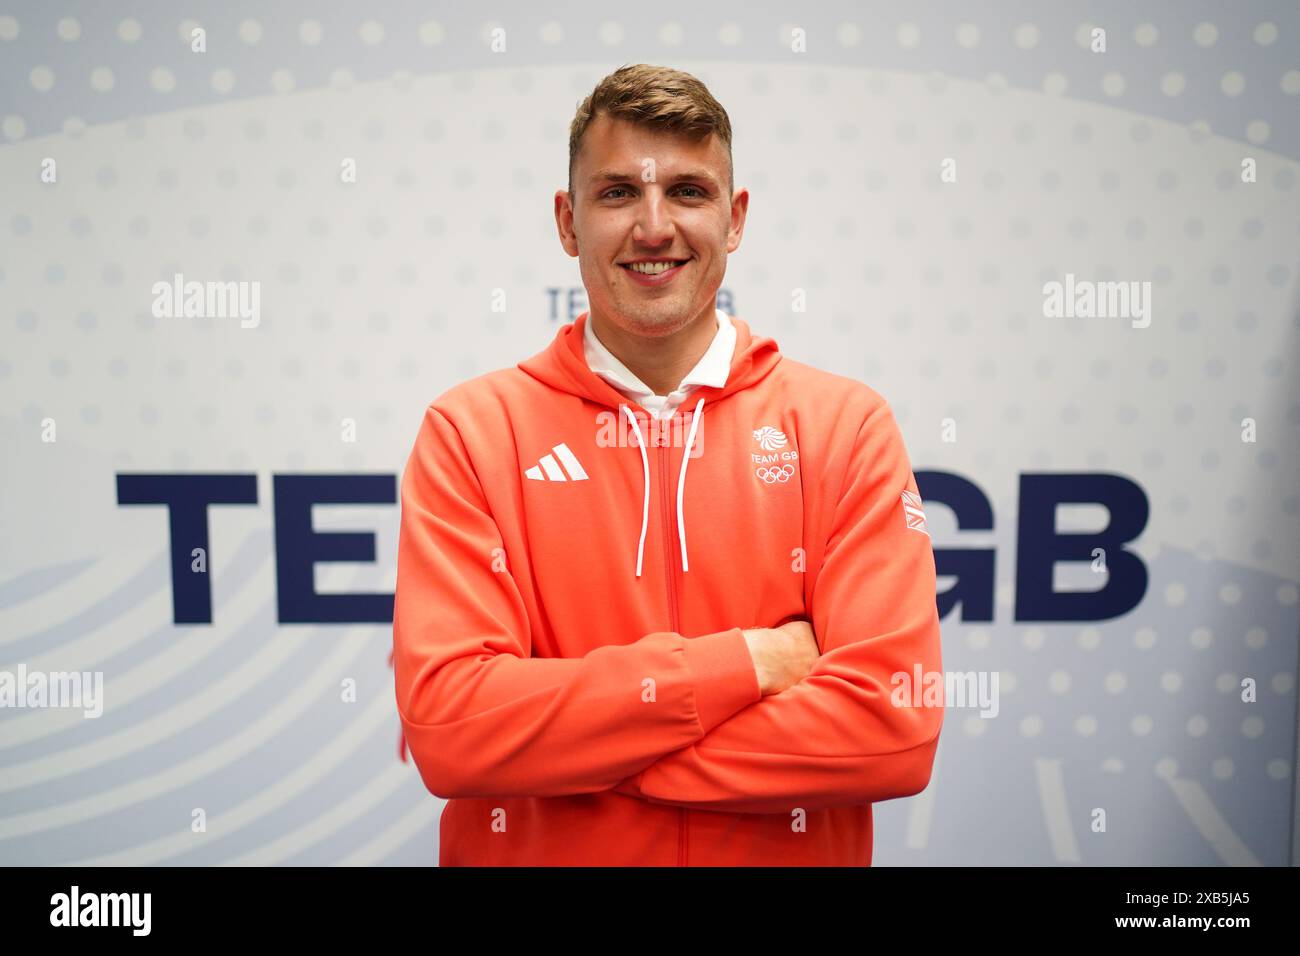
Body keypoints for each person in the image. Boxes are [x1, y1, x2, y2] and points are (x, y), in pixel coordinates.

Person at [392, 63, 943, 866]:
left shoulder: (843, 428)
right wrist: (747, 664)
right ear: (567, 221)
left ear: (736, 217)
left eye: (688, 191)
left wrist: (592, 751)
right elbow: (454, 729)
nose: (654, 227)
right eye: (617, 193)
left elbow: (891, 730)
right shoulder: (474, 434)